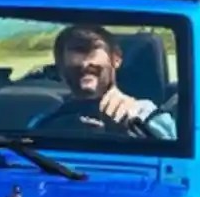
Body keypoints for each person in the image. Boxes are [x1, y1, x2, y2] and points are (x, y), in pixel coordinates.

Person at [30, 24, 177, 139]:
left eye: (92, 49)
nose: (85, 63)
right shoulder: (47, 123)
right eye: (76, 51)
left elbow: (179, 158)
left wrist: (132, 130)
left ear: (116, 58)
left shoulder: (145, 114)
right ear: (60, 67)